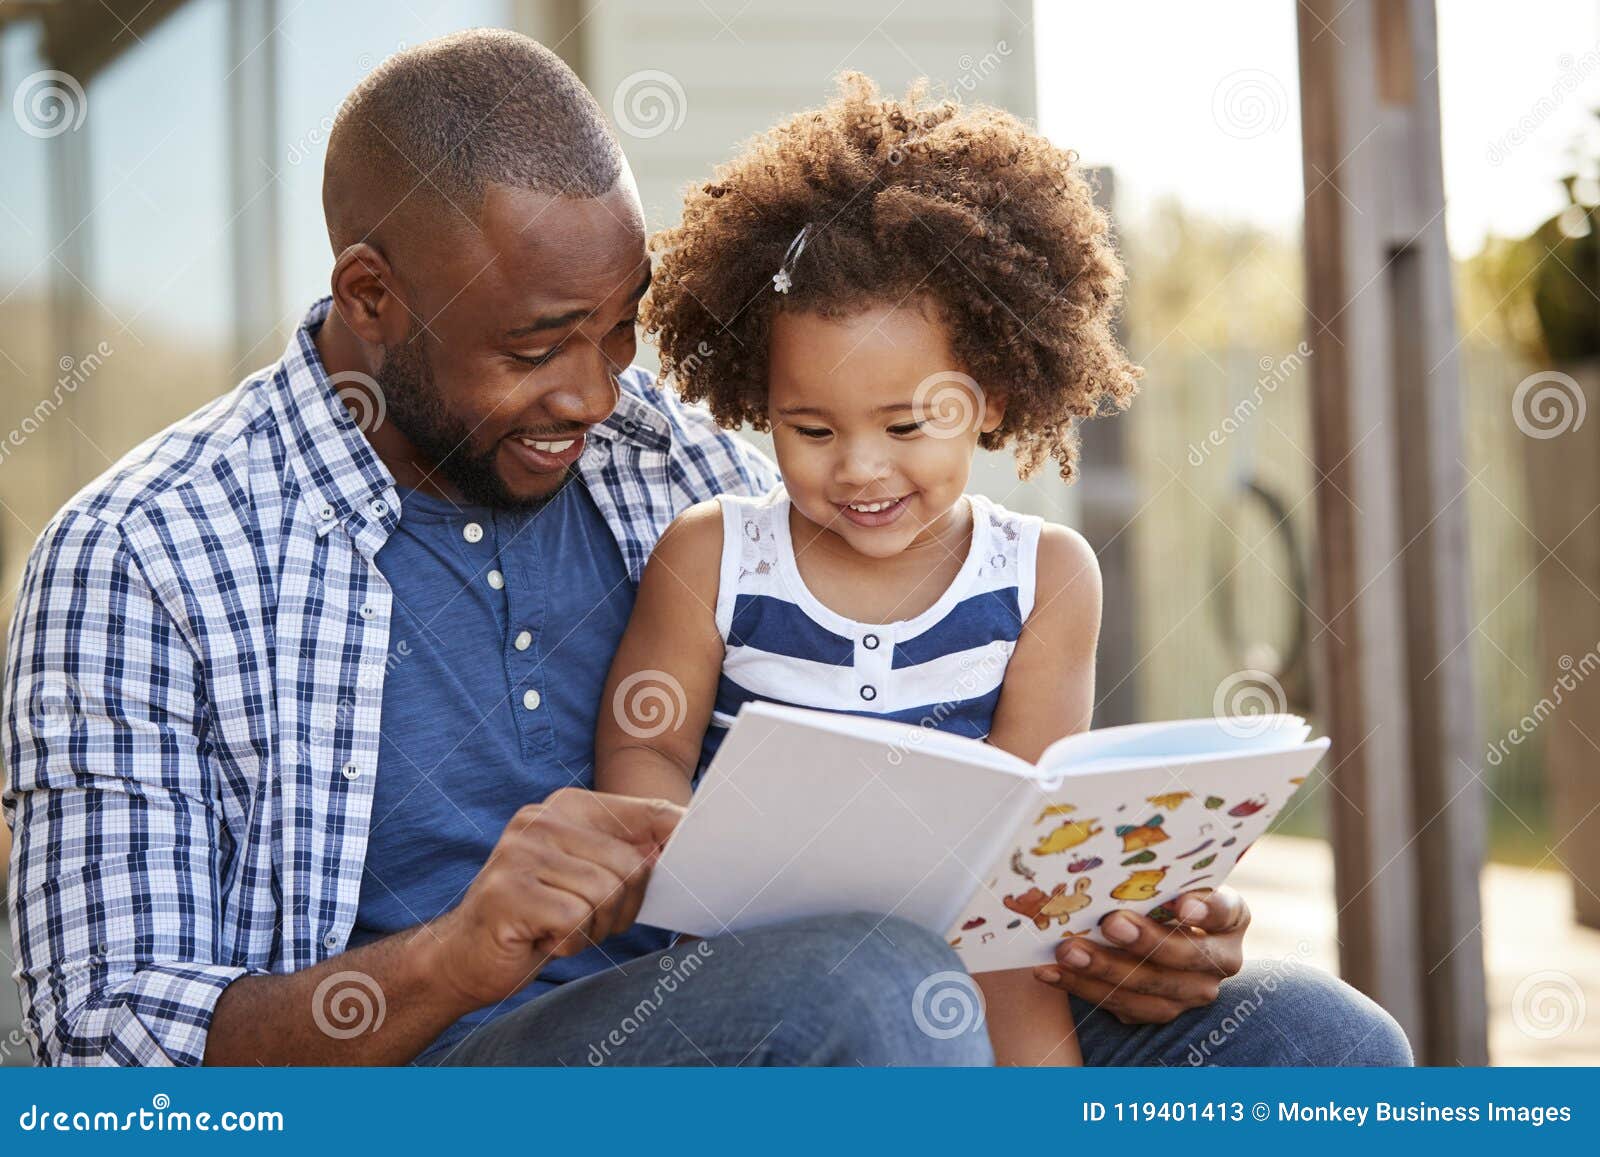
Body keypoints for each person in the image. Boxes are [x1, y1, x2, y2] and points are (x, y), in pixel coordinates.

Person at [2, 32, 1409, 1069]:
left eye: (620, 329)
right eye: (538, 346)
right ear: (370, 296)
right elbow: (109, 1058)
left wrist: (1107, 907)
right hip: (451, 1064)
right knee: (870, 992)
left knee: (1315, 1042)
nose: (600, 392)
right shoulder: (144, 557)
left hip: (800, 1004)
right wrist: (448, 957)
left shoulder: (668, 454)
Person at [595, 75, 1140, 1066]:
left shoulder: (1045, 578)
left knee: (1006, 971)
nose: (858, 468)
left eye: (904, 424)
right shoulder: (714, 555)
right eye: (811, 428)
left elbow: (1023, 819)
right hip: (748, 947)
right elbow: (645, 749)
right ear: (760, 403)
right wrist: (687, 845)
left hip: (966, 942)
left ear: (992, 394)